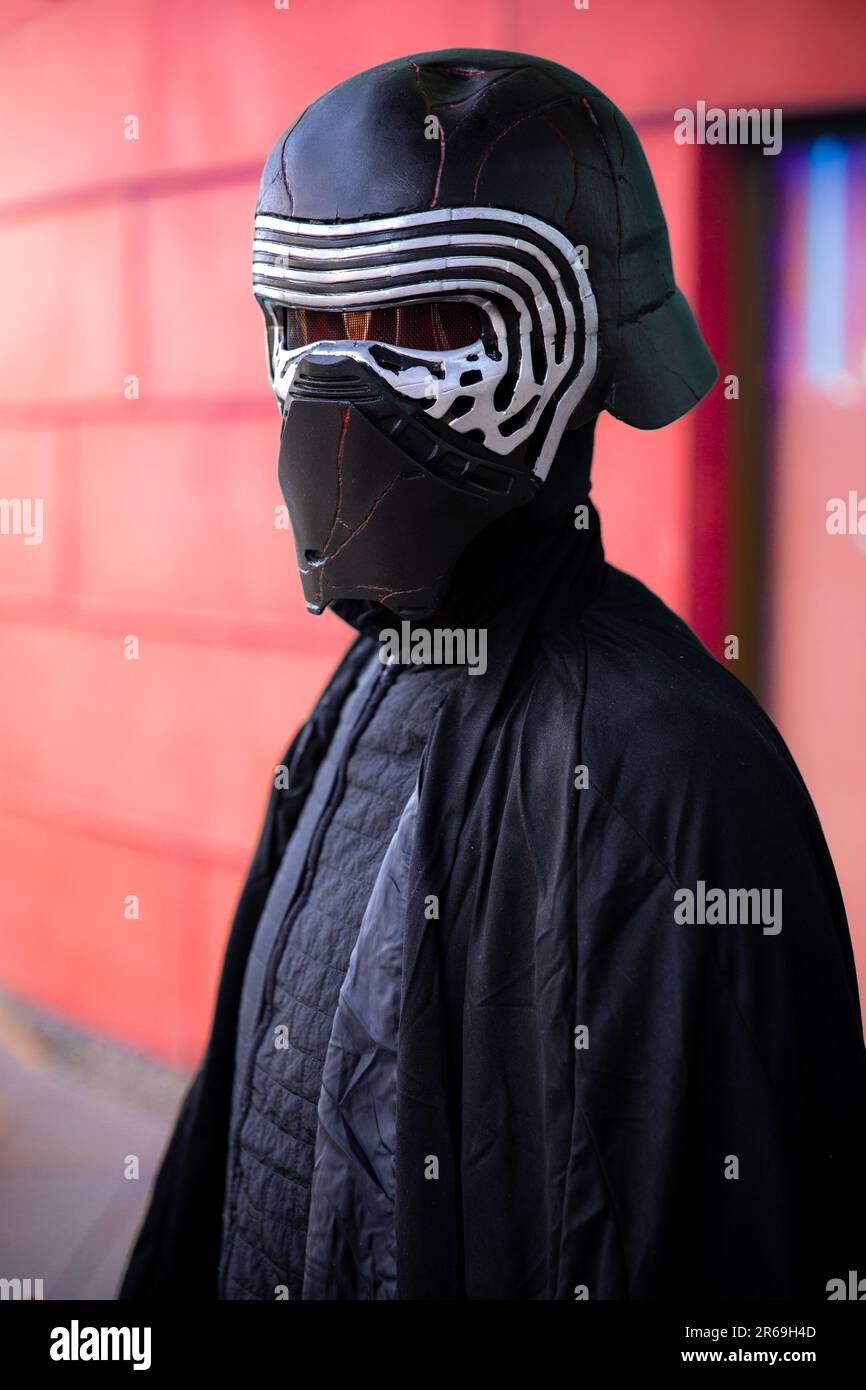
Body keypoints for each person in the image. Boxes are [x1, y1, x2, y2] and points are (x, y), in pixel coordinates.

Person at [119, 49, 866, 1301]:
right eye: (310, 330)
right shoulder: (360, 696)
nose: (339, 387)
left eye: (418, 326)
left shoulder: (680, 780)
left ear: (573, 342)